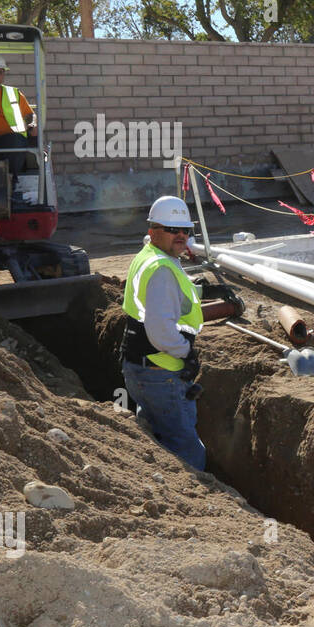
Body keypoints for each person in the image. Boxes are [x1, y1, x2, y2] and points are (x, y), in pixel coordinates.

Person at [120, 196, 206, 470]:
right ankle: (199, 502)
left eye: (185, 230)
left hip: (140, 368)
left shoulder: (150, 257)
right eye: (172, 230)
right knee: (186, 445)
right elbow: (160, 332)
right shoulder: (162, 270)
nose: (180, 236)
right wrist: (186, 353)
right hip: (161, 372)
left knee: (156, 437)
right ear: (153, 230)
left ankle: (160, 480)